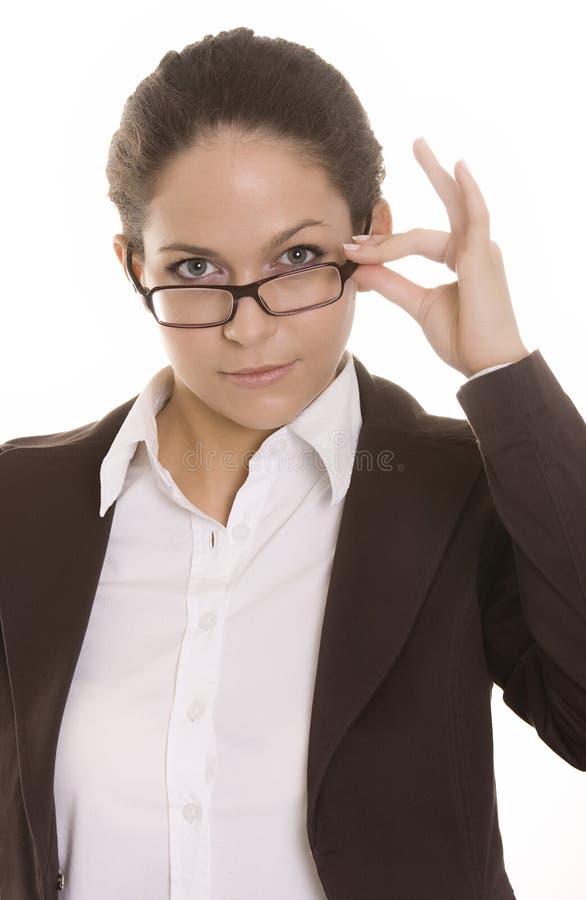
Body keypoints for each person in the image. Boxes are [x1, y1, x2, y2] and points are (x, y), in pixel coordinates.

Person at [1, 25, 585, 900]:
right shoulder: (23, 502)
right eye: (196, 268)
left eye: (299, 258)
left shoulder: (459, 488)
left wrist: (502, 374)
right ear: (132, 266)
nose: (248, 325)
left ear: (370, 237)